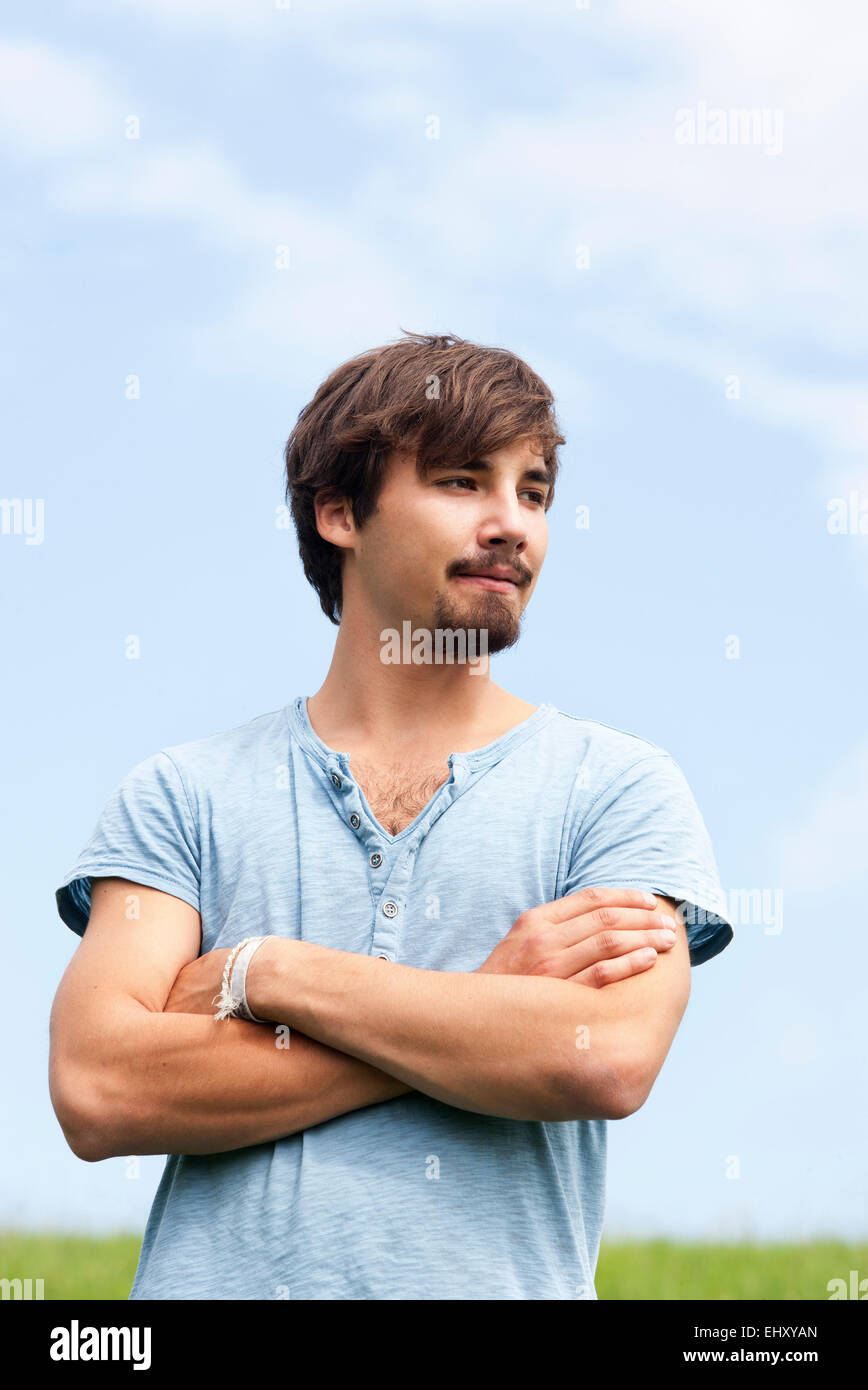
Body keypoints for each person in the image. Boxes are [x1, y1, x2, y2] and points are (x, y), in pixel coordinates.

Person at [50, 330, 733, 1300]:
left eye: (532, 492)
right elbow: (100, 1089)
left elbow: (604, 1059)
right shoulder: (182, 792)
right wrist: (486, 1005)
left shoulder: (616, 787)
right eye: (462, 481)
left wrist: (267, 972)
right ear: (339, 512)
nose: (513, 524)